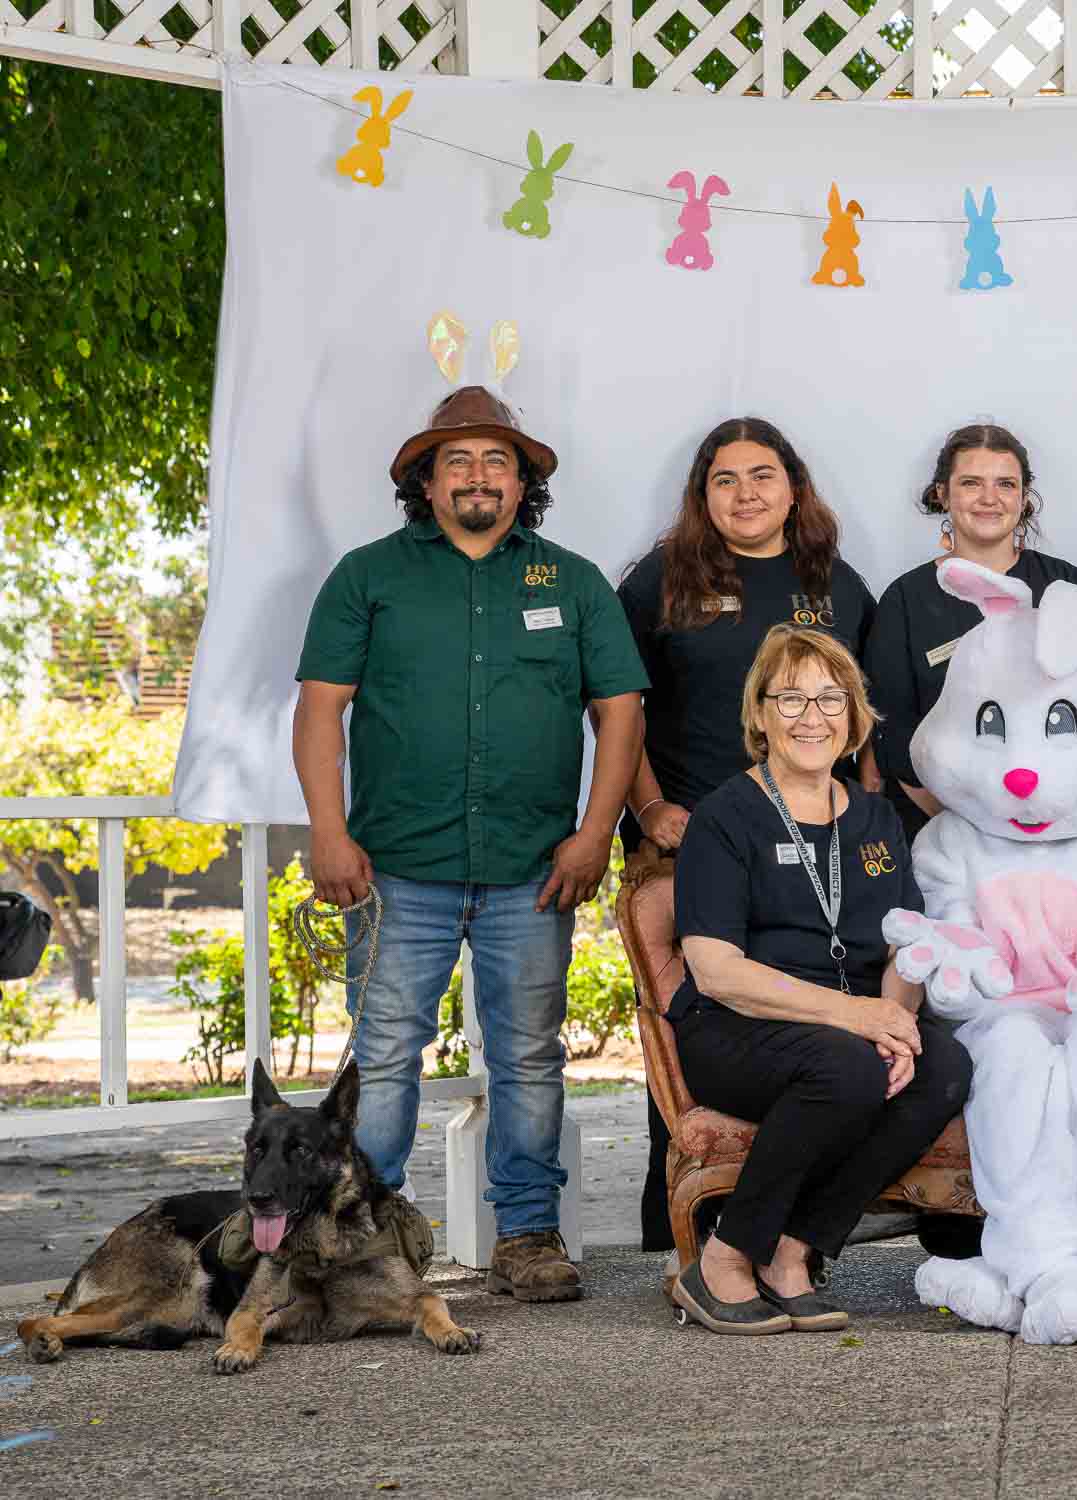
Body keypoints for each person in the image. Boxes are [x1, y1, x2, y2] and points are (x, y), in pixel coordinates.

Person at [294, 385, 649, 1303]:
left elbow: (620, 713)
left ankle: (528, 1235)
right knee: (383, 1057)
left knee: (528, 1055)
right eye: (457, 460)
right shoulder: (366, 577)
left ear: (523, 479)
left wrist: (595, 833)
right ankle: (367, 1234)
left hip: (533, 873)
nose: (478, 476)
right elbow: (320, 711)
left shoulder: (570, 582)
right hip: (392, 870)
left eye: (498, 460)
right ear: (426, 479)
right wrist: (328, 833)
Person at [617, 416, 878, 1252]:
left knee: (809, 1031)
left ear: (793, 488)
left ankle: (793, 1226)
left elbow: (865, 722)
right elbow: (620, 713)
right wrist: (651, 811)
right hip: (693, 837)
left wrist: (870, 821)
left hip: (815, 846)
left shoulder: (837, 586)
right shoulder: (659, 582)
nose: (746, 494)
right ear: (702, 494)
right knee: (701, 1027)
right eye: (724, 480)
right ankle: (683, 1231)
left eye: (762, 476)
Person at [666, 626, 973, 1334]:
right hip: (740, 1027)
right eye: (792, 699)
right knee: (845, 1066)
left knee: (944, 1065)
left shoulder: (874, 819)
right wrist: (856, 1019)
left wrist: (894, 1025)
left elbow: (904, 942)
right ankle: (724, 1256)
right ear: (761, 715)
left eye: (831, 699)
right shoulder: (725, 816)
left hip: (851, 1024)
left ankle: (795, 1250)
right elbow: (716, 970)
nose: (813, 717)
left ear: (855, 716)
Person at [864, 423, 1077, 843]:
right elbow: (893, 734)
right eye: (971, 483)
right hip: (940, 830)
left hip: (1057, 833)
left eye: (1006, 484)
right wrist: (971, 830)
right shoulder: (904, 601)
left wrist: (1036, 825)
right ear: (942, 494)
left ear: (1023, 498)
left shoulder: (1065, 586)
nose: (990, 498)